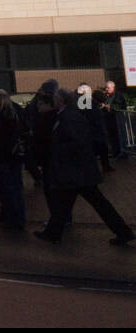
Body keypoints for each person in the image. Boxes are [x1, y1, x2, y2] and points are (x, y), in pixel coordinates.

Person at [36, 88, 134, 246]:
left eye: (55, 98)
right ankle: (122, 231)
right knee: (79, 203)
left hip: (75, 170)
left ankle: (53, 233)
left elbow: (75, 141)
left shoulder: (68, 117)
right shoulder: (70, 115)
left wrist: (58, 151)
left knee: (73, 203)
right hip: (79, 170)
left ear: (61, 100)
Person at [0, 89, 26, 231]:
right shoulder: (15, 116)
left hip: (1, 158)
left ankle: (12, 219)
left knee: (7, 190)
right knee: (17, 188)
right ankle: (19, 218)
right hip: (15, 157)